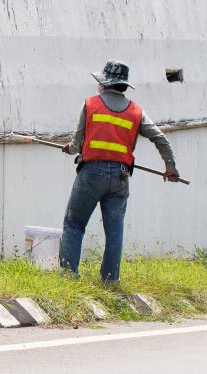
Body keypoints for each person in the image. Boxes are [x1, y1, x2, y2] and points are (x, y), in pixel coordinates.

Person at [59, 59, 180, 283]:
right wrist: (170, 168)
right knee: (114, 231)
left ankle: (68, 278)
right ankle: (110, 280)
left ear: (104, 84)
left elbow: (77, 143)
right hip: (120, 177)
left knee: (74, 225)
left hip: (91, 175)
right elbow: (161, 139)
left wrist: (70, 148)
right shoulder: (136, 112)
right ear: (124, 85)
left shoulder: (90, 104)